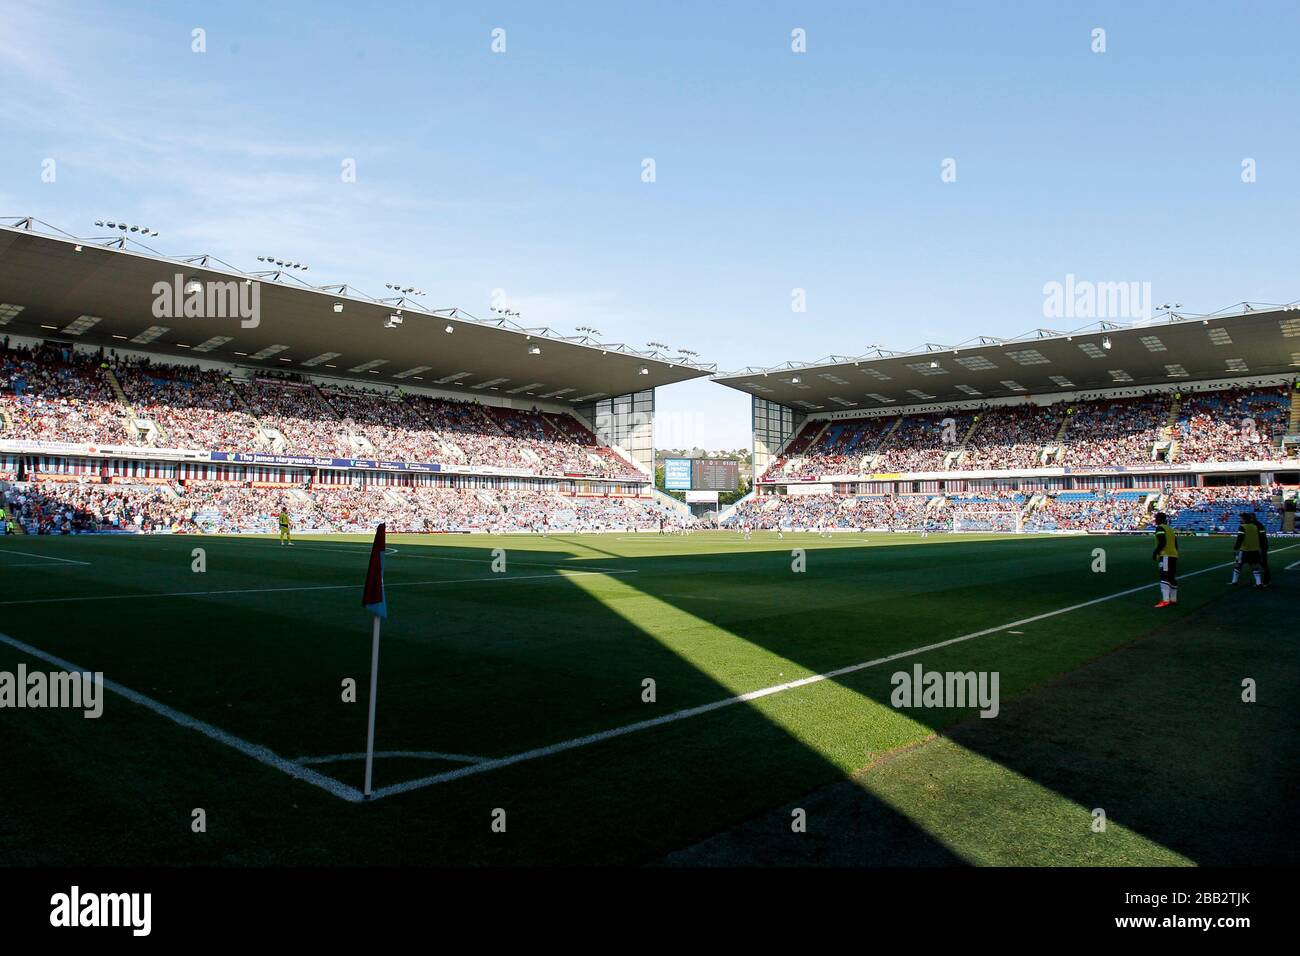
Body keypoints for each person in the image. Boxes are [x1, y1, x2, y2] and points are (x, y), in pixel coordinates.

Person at [1152, 511, 1179, 607]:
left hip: (1166, 555)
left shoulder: (1160, 528)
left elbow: (1162, 542)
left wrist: (1156, 552)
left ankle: (1165, 600)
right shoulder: (1170, 529)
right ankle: (1173, 599)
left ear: (1159, 519)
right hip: (1173, 555)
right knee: (1171, 577)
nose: (1155, 520)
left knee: (1164, 576)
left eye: (1156, 518)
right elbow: (1176, 544)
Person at [1231, 513, 1263, 588]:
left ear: (1244, 519)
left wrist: (1236, 548)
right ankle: (1259, 583)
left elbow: (1240, 539)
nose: (1240, 520)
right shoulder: (1254, 526)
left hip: (1245, 550)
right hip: (1255, 549)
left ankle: (1234, 582)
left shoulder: (1242, 527)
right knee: (1254, 565)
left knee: (1238, 565)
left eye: (1241, 518)